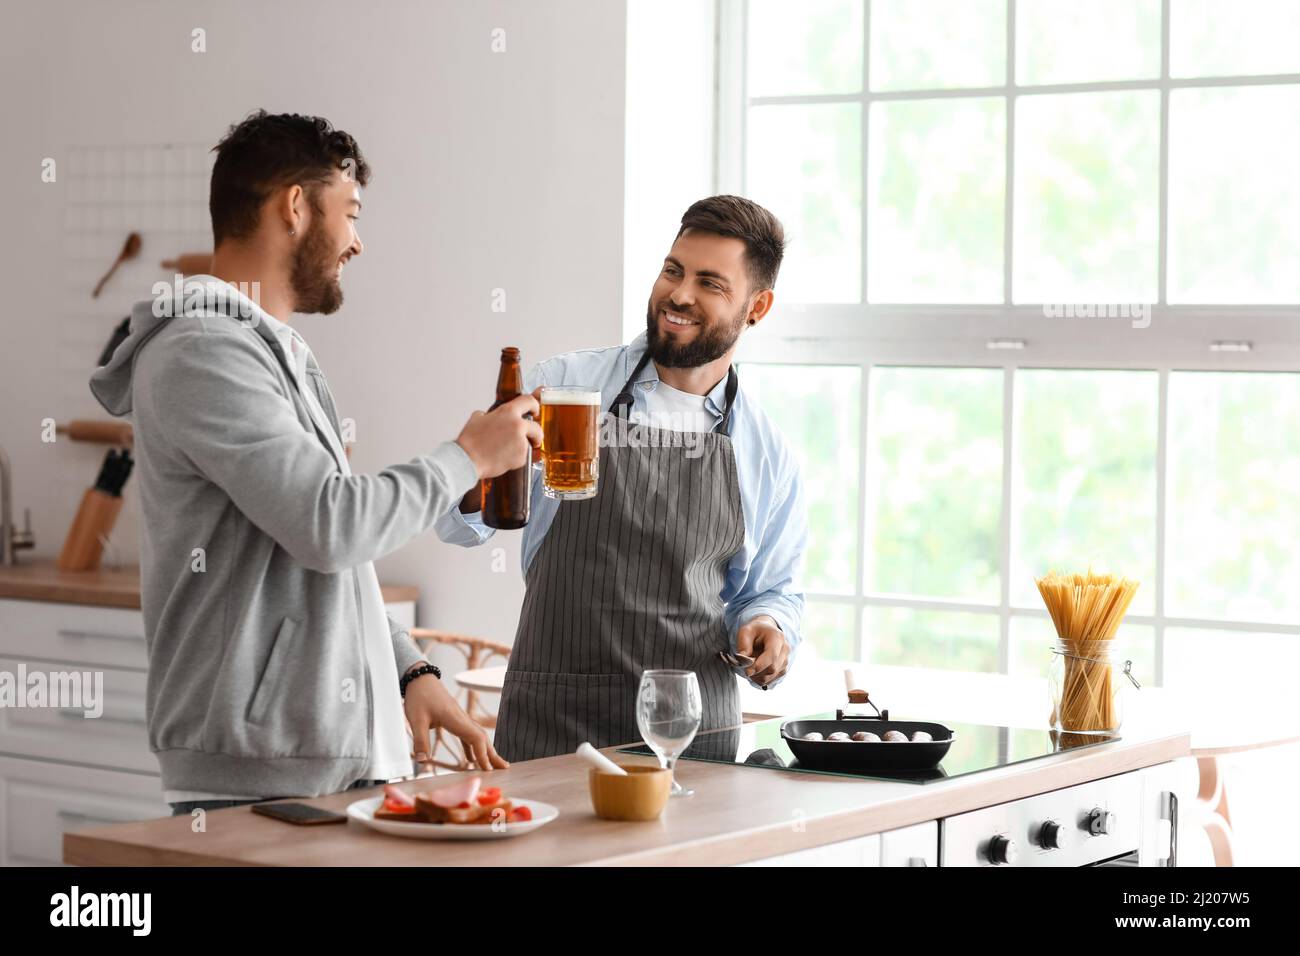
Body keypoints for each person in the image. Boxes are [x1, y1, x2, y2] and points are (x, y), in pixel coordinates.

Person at [89, 110, 540, 814]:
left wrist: (408, 669)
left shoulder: (274, 352)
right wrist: (466, 458)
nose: (357, 242)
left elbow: (324, 551)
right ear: (295, 207)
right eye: (351, 212)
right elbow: (330, 525)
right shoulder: (202, 354)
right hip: (259, 776)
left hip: (318, 765)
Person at [437, 195, 807, 762]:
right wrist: (479, 465)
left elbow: (770, 592)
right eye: (672, 270)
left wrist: (769, 627)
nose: (679, 294)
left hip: (692, 736)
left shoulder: (767, 449)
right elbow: (457, 527)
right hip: (554, 723)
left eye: (711, 283)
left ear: (757, 308)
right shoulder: (564, 386)